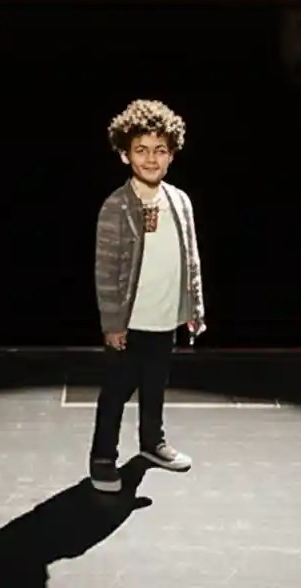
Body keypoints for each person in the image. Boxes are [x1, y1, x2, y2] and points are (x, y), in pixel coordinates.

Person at [89, 98, 207, 493]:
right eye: (141, 150)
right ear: (125, 154)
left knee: (156, 385)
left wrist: (194, 307)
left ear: (171, 153)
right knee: (117, 393)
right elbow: (105, 271)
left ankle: (152, 443)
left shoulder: (181, 201)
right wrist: (112, 324)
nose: (151, 159)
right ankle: (103, 457)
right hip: (130, 323)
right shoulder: (116, 207)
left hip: (164, 318)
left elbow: (191, 259)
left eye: (160, 150)